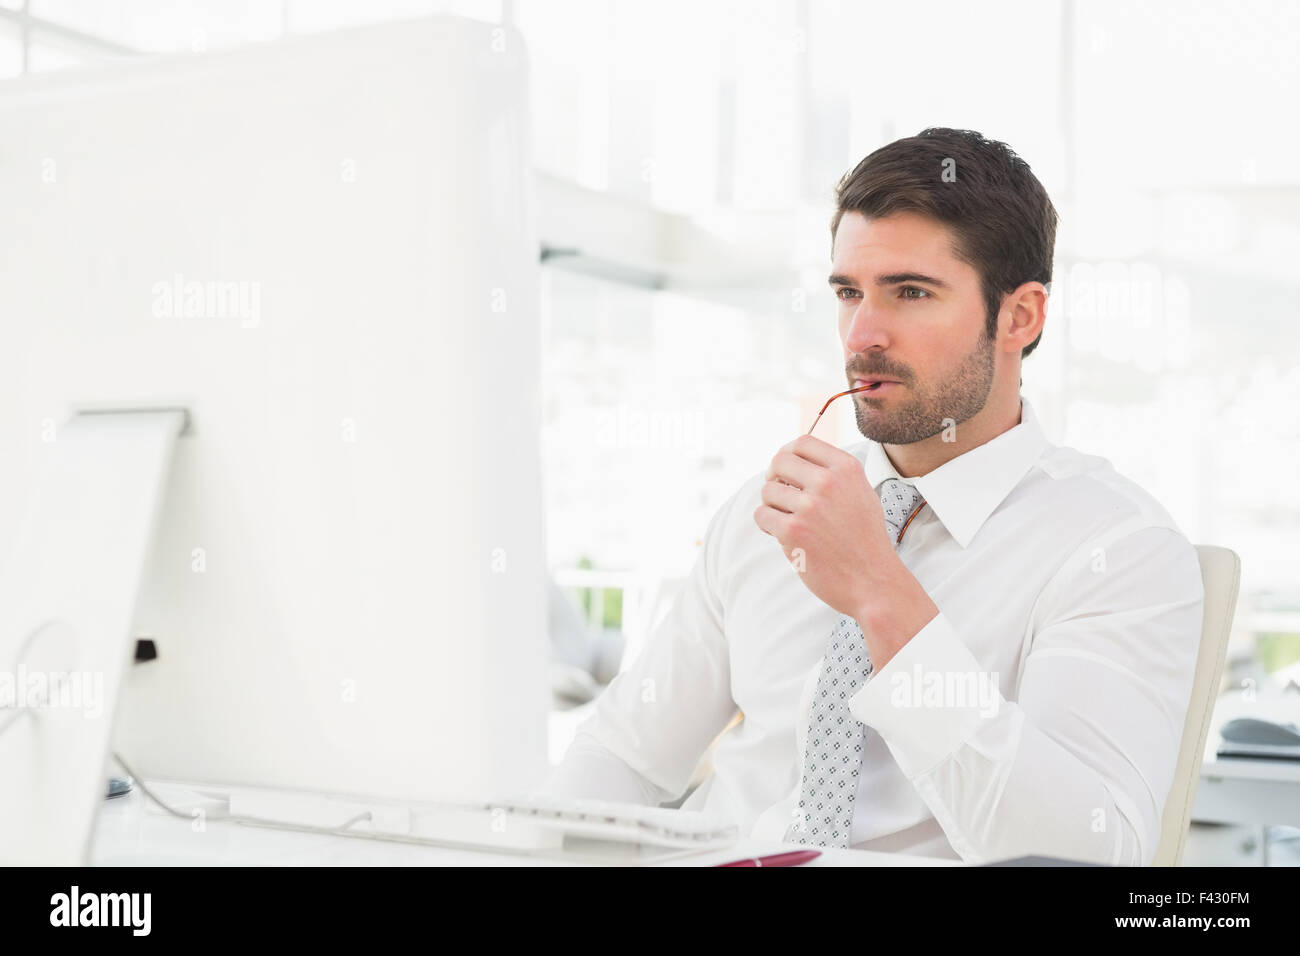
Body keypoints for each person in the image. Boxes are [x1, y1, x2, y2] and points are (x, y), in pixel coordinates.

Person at [538, 127, 1204, 865]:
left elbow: (1079, 851)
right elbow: (624, 760)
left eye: (911, 293)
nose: (862, 334)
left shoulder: (1118, 547)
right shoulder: (768, 512)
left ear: (1020, 317)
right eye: (849, 292)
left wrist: (882, 595)